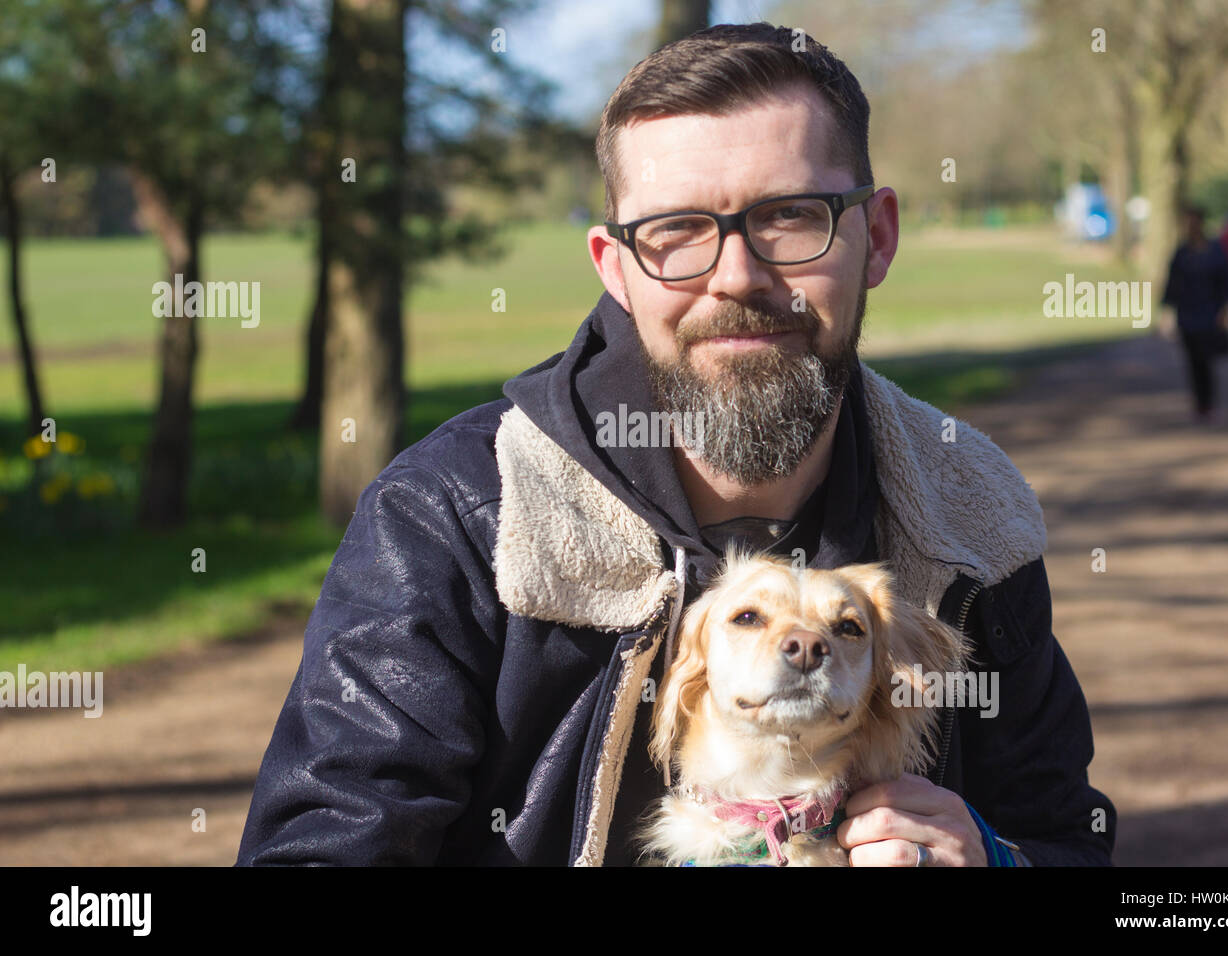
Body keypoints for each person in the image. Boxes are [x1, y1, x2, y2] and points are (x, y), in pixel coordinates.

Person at [237, 22, 1115, 867]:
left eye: (791, 215)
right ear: (615, 265)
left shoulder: (972, 514)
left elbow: (1072, 840)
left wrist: (1000, 862)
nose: (737, 275)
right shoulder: (455, 515)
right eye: (677, 231)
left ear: (875, 236)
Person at [1161, 206, 1228, 423]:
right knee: (1192, 360)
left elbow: (1226, 281)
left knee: (1206, 360)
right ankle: (1199, 403)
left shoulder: (1215, 251)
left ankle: (1208, 402)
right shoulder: (1182, 252)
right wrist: (1167, 313)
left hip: (1209, 314)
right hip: (1187, 314)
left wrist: (1226, 309)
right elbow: (1172, 283)